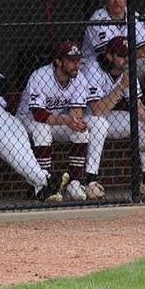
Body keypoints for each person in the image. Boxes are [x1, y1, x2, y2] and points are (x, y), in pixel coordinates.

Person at [0, 30, 66, 203]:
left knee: (22, 140)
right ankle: (46, 179)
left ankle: (42, 189)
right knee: (11, 148)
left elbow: (3, 86)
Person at [85, 36, 145, 198]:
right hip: (87, 117)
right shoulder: (94, 68)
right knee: (100, 123)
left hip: (109, 117)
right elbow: (96, 110)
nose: (126, 59)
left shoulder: (128, 69)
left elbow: (138, 104)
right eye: (121, 55)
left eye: (128, 55)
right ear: (109, 56)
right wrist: (121, 86)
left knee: (142, 124)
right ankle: (89, 182)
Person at [20, 40, 110, 202]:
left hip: (56, 120)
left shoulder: (79, 78)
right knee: (42, 129)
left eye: (77, 60)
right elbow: (38, 113)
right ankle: (42, 184)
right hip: (27, 119)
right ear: (58, 61)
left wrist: (75, 121)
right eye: (71, 60)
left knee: (81, 129)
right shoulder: (41, 75)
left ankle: (75, 182)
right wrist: (66, 119)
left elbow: (76, 112)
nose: (76, 64)